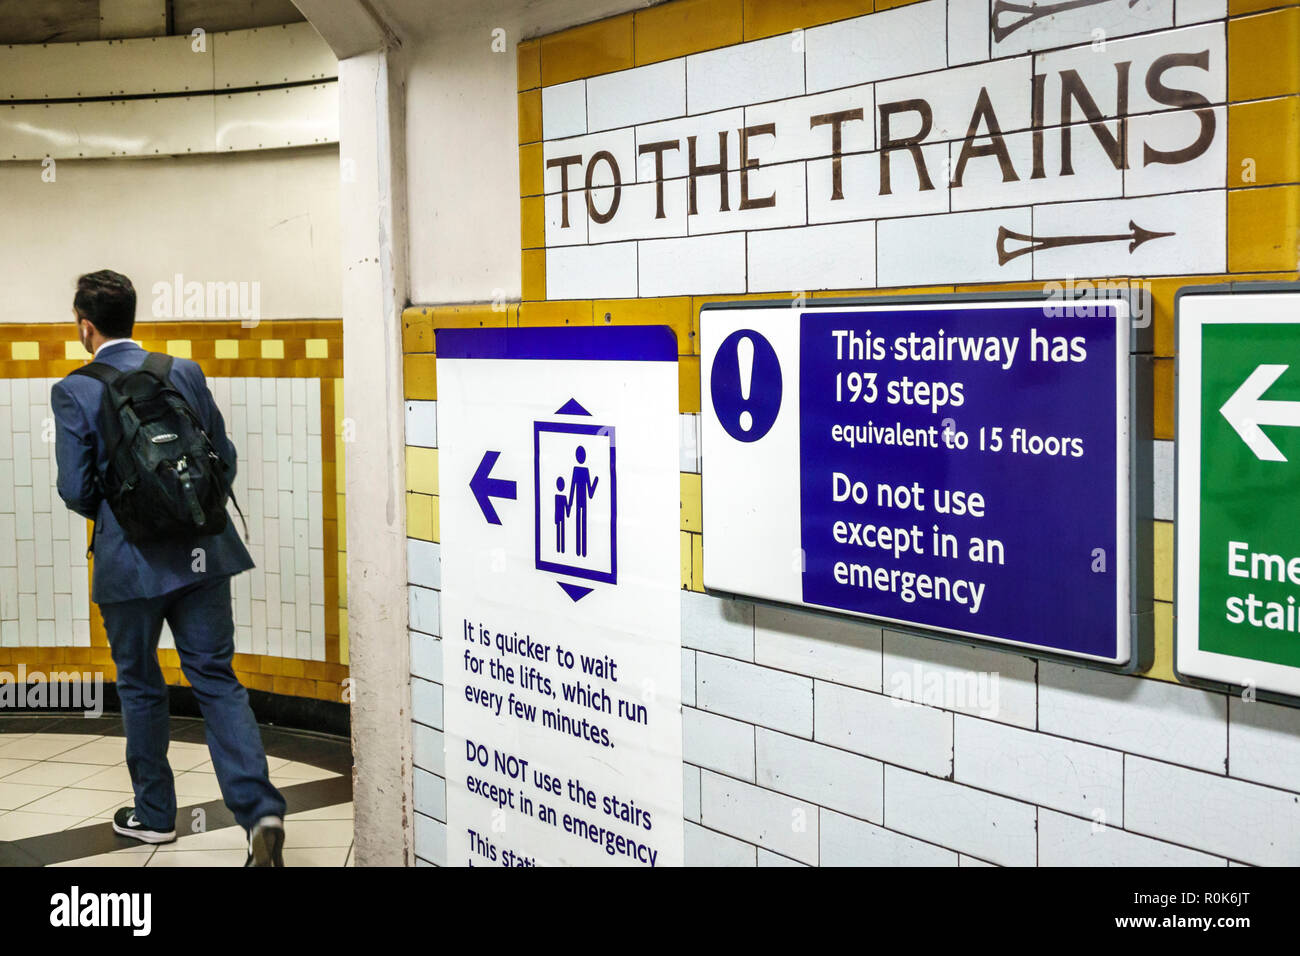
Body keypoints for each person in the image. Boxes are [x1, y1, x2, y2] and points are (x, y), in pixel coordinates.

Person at [51, 270, 287, 866]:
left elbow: (76, 488)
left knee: (140, 684)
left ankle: (154, 817)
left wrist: (128, 514)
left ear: (86, 326)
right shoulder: (182, 371)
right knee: (214, 677)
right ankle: (259, 811)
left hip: (129, 566)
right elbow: (222, 460)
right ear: (133, 316)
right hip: (205, 553)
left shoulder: (76, 389)